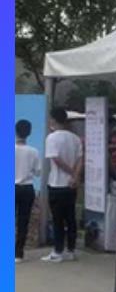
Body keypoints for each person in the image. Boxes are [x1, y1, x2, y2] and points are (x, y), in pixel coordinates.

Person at [41, 107, 83, 263]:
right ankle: (71, 250)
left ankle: (58, 251)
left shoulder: (52, 138)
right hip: (71, 185)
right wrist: (75, 176)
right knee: (71, 218)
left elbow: (56, 159)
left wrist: (71, 172)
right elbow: (80, 159)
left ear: (53, 119)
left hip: (57, 183)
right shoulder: (75, 138)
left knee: (57, 219)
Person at [15, 119, 40, 262]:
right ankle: (18, 254)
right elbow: (38, 172)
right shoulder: (34, 151)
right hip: (27, 188)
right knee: (23, 221)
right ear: (29, 133)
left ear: (15, 131)